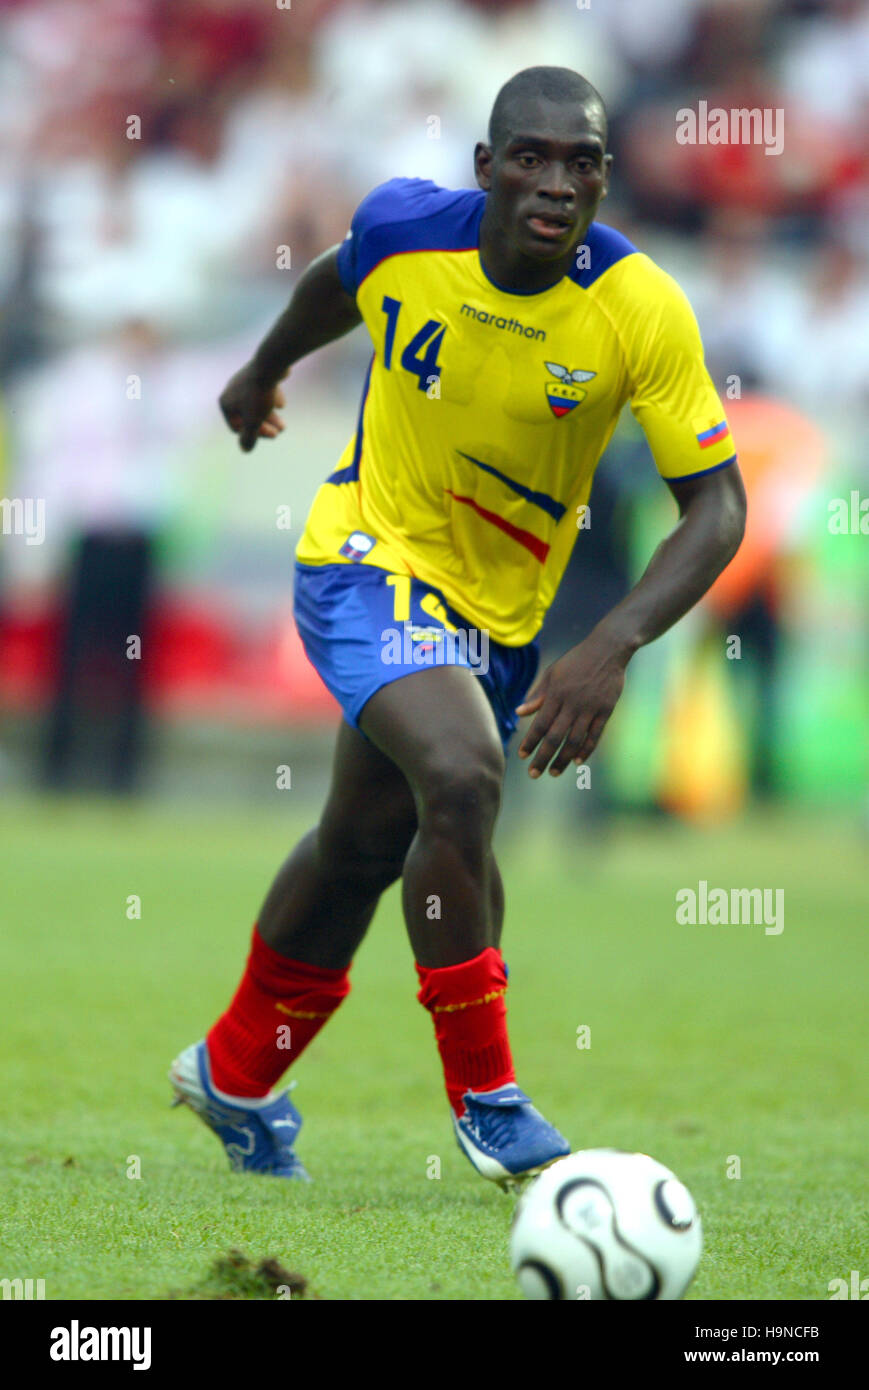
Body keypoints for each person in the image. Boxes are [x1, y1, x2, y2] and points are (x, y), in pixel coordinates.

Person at [169, 67, 746, 1187]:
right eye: (528, 156)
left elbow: (716, 506)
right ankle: (489, 1099)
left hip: (497, 612)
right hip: (362, 558)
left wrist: (609, 643)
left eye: (579, 162)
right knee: (466, 776)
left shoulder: (639, 309)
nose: (553, 181)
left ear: (601, 180)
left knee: (359, 848)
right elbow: (339, 281)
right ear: (485, 167)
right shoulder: (403, 227)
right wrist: (263, 367)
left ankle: (232, 1072)